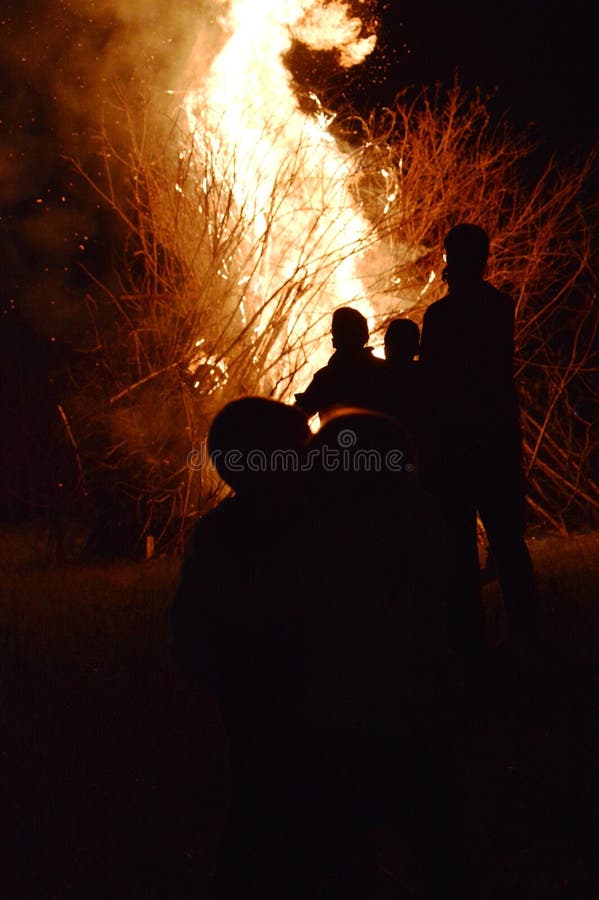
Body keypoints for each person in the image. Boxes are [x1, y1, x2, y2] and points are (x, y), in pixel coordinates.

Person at [171, 397, 312, 899]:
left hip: (245, 687)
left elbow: (189, 615)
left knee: (256, 789)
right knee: (278, 792)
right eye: (301, 448)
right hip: (282, 686)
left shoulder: (219, 530)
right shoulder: (302, 532)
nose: (313, 456)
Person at [419, 223, 537, 654]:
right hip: (495, 439)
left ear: (451, 260)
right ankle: (525, 636)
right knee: (507, 541)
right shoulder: (499, 306)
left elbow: (432, 382)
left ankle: (470, 641)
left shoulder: (441, 316)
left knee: (460, 547)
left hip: (456, 444)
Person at [294, 306, 385, 419]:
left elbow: (297, 417)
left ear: (335, 340)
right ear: (366, 337)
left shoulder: (327, 378)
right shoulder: (386, 372)